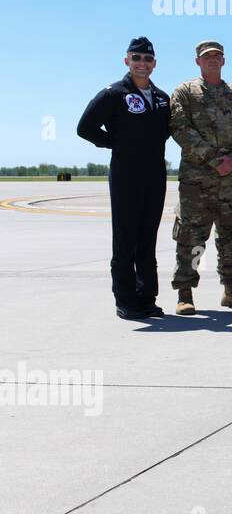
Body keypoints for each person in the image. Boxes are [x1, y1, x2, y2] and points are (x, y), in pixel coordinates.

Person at [77, 36, 172, 319]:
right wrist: (116, 142)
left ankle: (146, 297)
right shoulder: (113, 93)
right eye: (136, 58)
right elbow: (85, 127)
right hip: (125, 175)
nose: (142, 64)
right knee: (125, 238)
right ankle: (125, 299)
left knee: (147, 237)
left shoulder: (162, 98)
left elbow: (164, 132)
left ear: (154, 64)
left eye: (147, 59)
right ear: (127, 61)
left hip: (154, 175)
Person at [168, 40, 232, 315]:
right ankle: (185, 293)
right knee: (192, 236)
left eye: (217, 56)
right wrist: (213, 158)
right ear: (198, 61)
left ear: (224, 60)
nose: (212, 60)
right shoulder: (185, 92)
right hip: (197, 180)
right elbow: (179, 128)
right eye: (207, 57)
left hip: (231, 180)